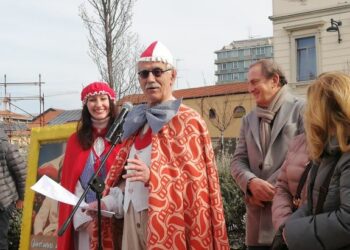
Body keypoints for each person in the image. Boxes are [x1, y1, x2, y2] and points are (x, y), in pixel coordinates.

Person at [98, 41, 229, 249]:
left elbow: (194, 186)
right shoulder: (136, 122)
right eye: (143, 74)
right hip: (131, 219)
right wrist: (107, 202)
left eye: (157, 72)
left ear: (172, 75)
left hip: (169, 221)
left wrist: (153, 177)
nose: (150, 79)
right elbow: (124, 179)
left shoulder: (189, 121)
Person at [230, 59, 304, 249]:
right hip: (256, 225)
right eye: (248, 83)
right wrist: (250, 183)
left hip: (291, 222)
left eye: (254, 82)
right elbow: (238, 160)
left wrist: (270, 189)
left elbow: (307, 160)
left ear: (274, 80)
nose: (250, 88)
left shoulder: (302, 109)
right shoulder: (248, 120)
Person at [283, 72, 350, 250]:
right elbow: (312, 205)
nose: (307, 114)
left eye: (312, 107)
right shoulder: (328, 152)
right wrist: (288, 228)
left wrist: (292, 233)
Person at [58, 82, 122, 250]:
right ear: (86, 105)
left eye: (103, 99)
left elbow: (126, 181)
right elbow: (72, 187)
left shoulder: (124, 137)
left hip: (119, 220)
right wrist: (85, 222)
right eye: (93, 100)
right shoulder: (75, 141)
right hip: (86, 223)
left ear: (111, 102)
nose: (99, 104)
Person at [271, 133, 310, 231]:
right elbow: (282, 187)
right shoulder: (299, 141)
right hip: (293, 233)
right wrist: (285, 226)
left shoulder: (343, 144)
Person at [0, 128, 27, 250]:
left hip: (4, 202)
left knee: (1, 238)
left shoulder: (6, 147)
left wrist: (22, 198)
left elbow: (22, 174)